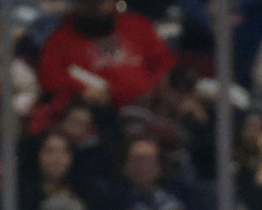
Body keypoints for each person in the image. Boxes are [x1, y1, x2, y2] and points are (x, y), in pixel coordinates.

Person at [32, 0, 174, 133]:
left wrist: (153, 88)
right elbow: (49, 77)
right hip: (94, 117)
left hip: (144, 111)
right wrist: (79, 90)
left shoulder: (137, 26)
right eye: (89, 3)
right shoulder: (60, 39)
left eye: (100, 3)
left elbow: (163, 65)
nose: (95, 8)